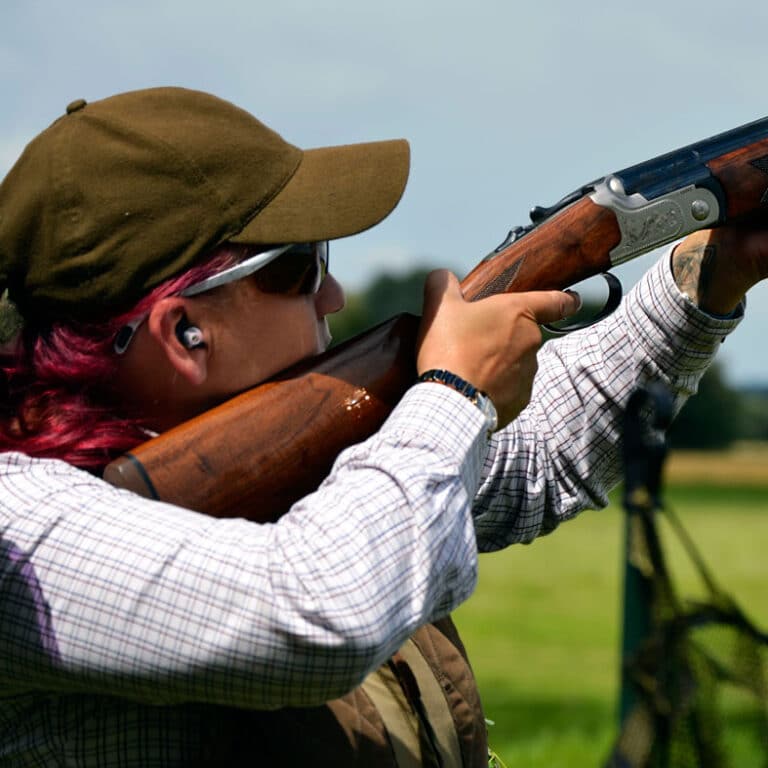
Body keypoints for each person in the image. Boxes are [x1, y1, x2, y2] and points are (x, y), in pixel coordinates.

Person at [0, 87, 764, 767]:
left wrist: (711, 277)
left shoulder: (276, 456)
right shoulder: (19, 529)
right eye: (297, 267)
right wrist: (453, 393)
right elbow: (320, 616)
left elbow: (532, 460)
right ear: (183, 333)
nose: (334, 294)